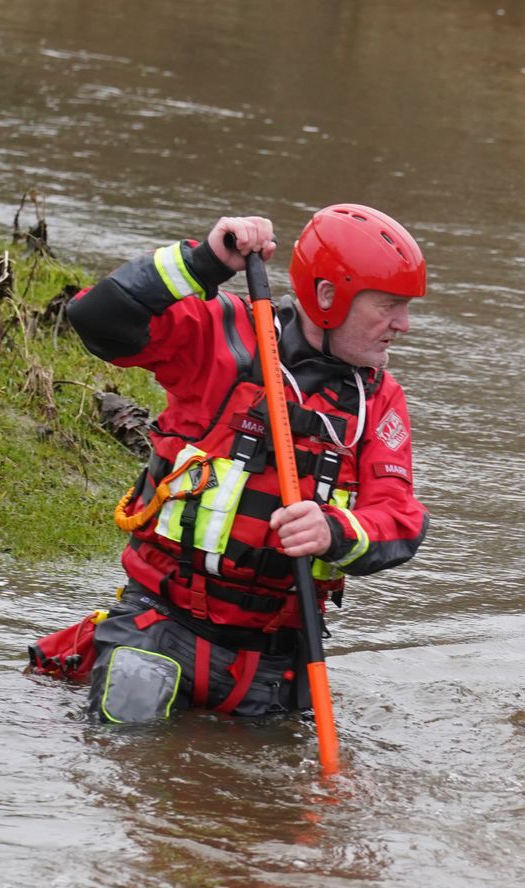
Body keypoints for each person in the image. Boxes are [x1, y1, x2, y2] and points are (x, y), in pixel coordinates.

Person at [27, 206, 429, 723]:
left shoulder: (379, 402)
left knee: (266, 797)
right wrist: (204, 262)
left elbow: (399, 522)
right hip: (162, 627)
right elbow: (98, 319)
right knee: (124, 741)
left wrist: (334, 531)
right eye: (391, 306)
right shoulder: (222, 337)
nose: (405, 325)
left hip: (278, 659)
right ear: (329, 298)